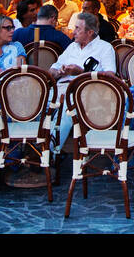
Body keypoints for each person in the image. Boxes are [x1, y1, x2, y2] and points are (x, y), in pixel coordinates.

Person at [51, 12, 121, 152]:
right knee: (37, 101)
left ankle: (49, 149)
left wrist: (82, 73)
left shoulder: (104, 48)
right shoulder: (72, 47)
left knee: (69, 104)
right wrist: (60, 72)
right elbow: (51, 71)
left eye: (78, 28)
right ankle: (31, 145)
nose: (74, 32)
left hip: (88, 92)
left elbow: (110, 75)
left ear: (89, 32)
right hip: (61, 88)